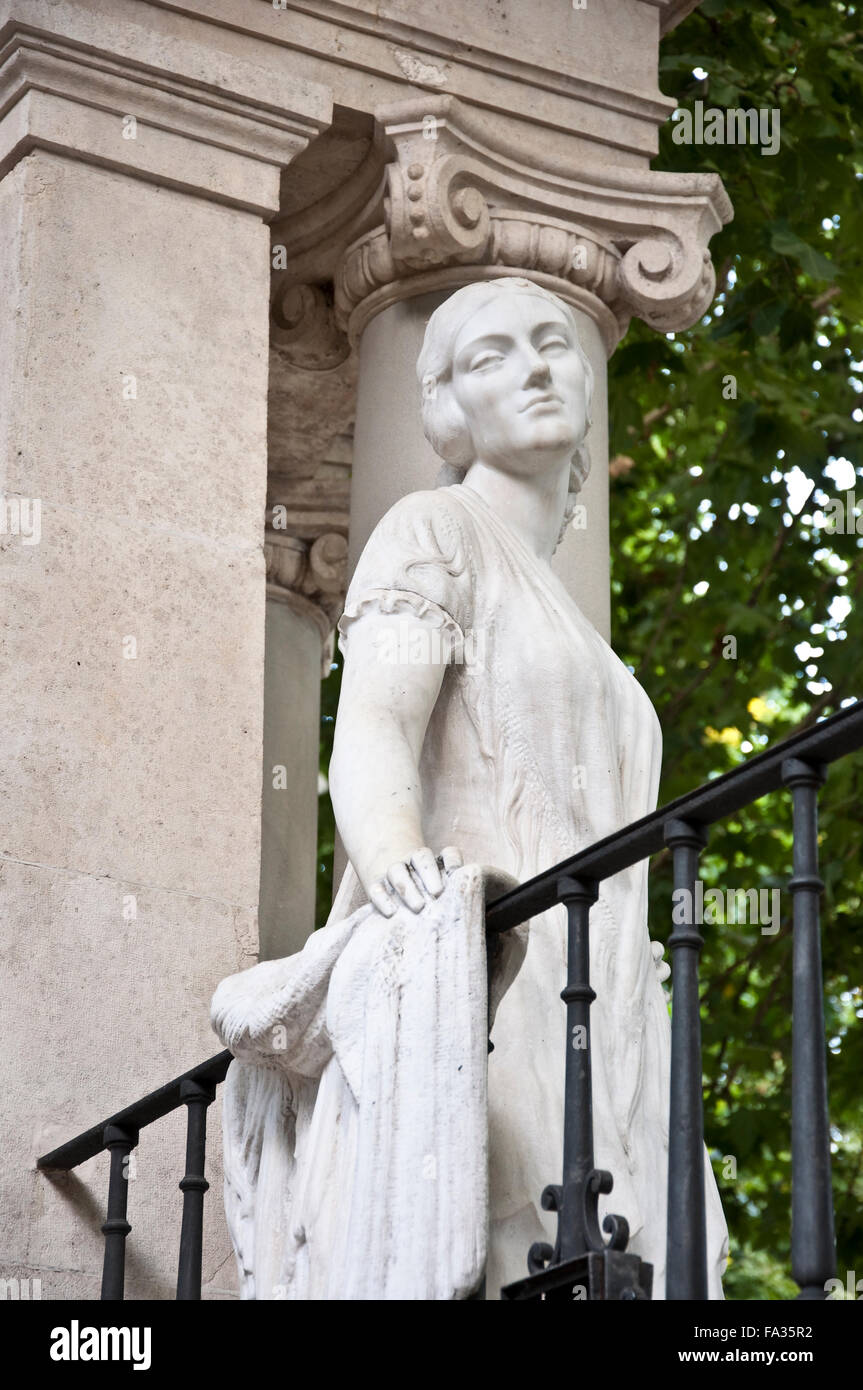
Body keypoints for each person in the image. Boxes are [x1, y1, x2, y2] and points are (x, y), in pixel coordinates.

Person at [213, 275, 728, 1298]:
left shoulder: (595, 648)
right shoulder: (431, 529)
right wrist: (402, 868)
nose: (536, 364)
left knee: (657, 1263)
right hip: (496, 971)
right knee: (522, 1247)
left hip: (616, 995)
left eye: (553, 343)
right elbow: (371, 731)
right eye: (493, 353)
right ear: (445, 405)